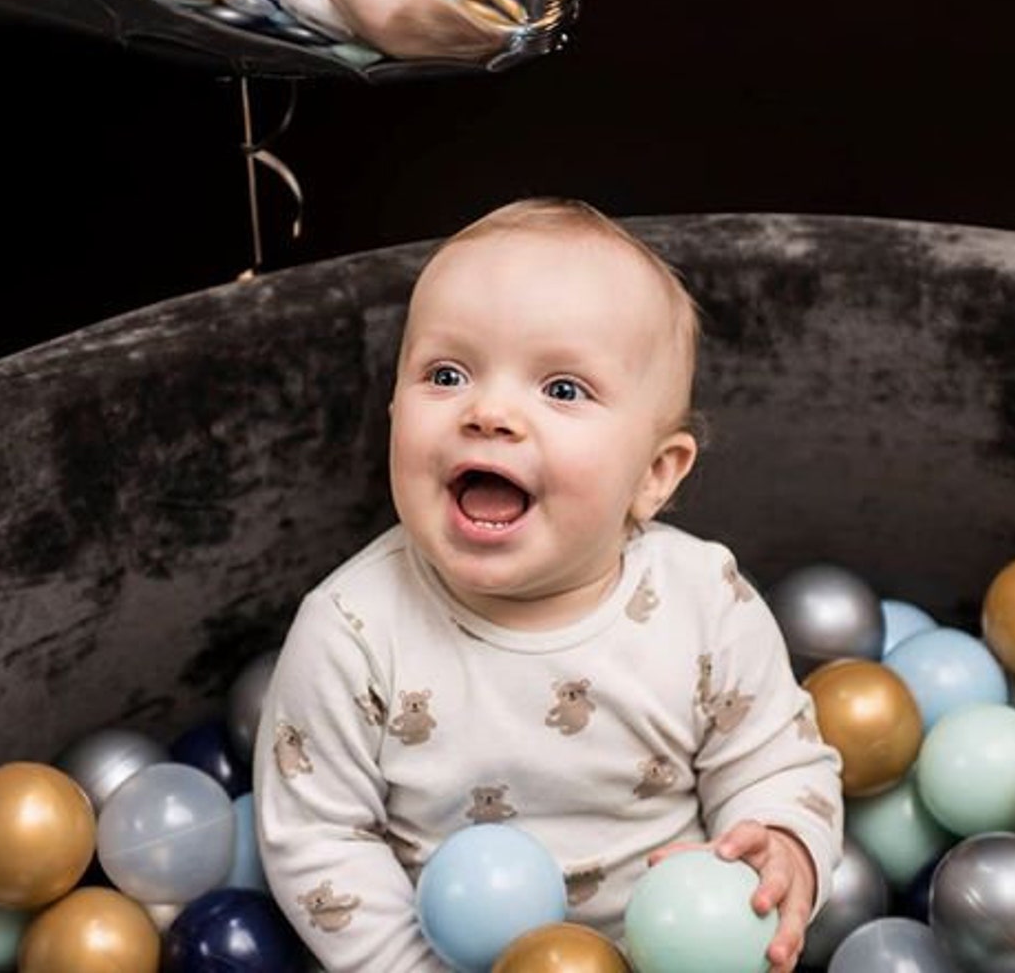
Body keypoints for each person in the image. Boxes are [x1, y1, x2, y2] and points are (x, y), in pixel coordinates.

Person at [254, 198, 843, 972]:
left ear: (654, 475)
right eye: (446, 374)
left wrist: (785, 846)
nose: (490, 412)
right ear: (394, 409)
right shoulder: (352, 631)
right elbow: (317, 838)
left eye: (562, 389)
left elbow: (778, 762)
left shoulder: (706, 603)